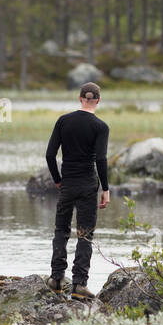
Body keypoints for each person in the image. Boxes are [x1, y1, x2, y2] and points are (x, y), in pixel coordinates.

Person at [45, 81, 110, 299]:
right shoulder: (101, 127)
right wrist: (106, 189)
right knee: (85, 235)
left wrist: (57, 180)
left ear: (80, 98)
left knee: (61, 230)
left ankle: (56, 278)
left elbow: (50, 155)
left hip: (68, 183)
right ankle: (79, 285)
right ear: (98, 101)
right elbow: (100, 159)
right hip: (88, 185)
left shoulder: (63, 121)